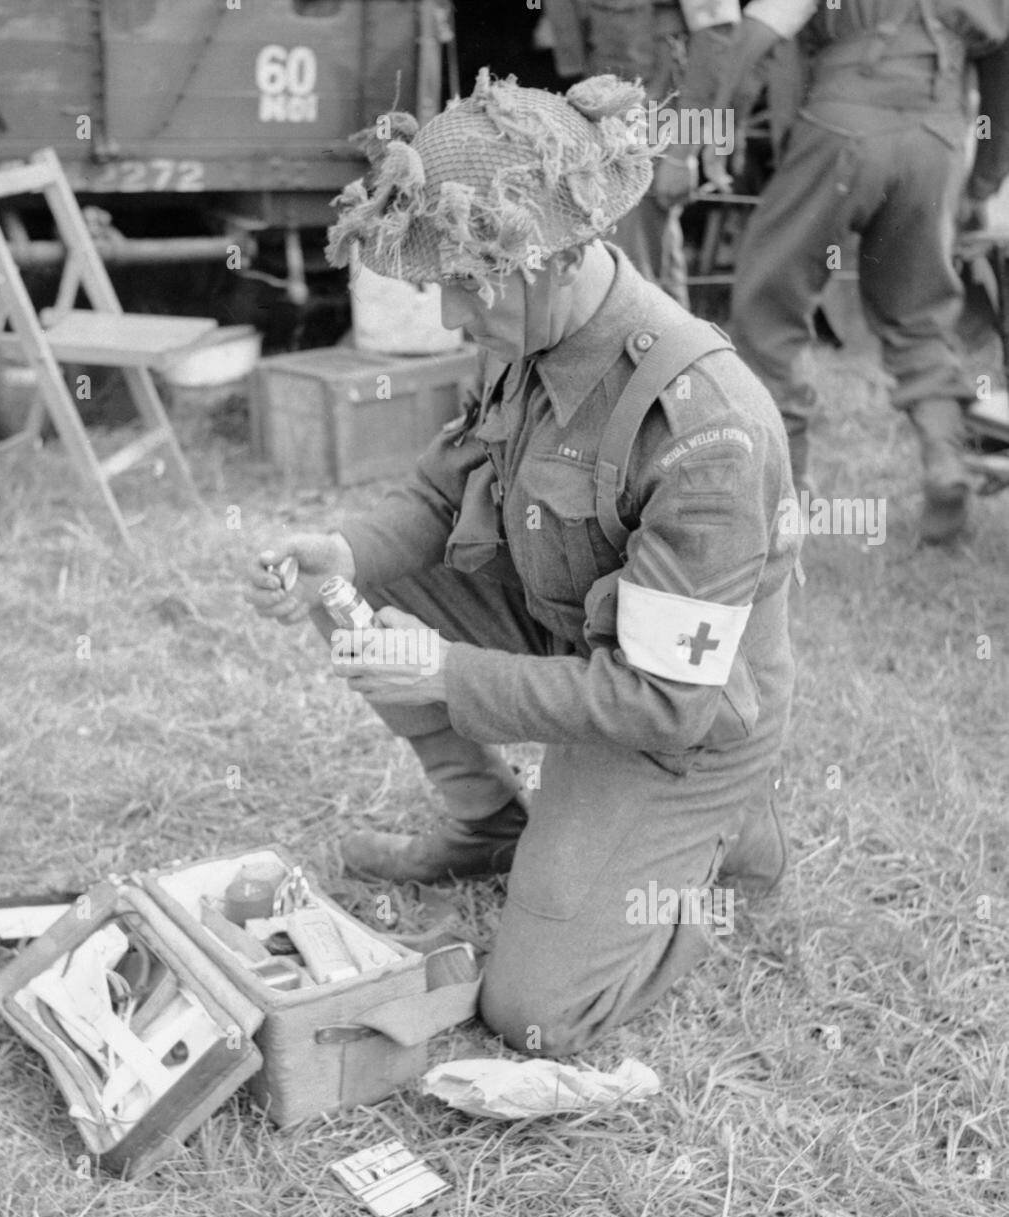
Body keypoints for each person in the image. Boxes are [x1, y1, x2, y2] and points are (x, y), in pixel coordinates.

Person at [246, 70, 801, 1055]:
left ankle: (712, 839)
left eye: (462, 284)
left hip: (683, 720)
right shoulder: (527, 327)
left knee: (533, 1013)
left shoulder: (702, 425)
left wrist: (449, 674)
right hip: (570, 634)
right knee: (355, 592)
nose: (451, 315)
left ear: (548, 257)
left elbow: (663, 701)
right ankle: (493, 826)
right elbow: (431, 493)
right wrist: (338, 554)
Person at [712, 0, 1009, 542]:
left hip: (840, 126)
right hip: (936, 140)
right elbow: (1001, 74)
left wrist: (712, 130)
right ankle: (944, 460)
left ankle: (782, 497)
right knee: (920, 312)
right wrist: (982, 184)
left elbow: (757, 34)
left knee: (770, 305)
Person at [541, 0, 745, 307]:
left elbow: (717, 39)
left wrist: (682, 154)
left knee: (638, 266)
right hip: (602, 99)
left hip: (655, 99)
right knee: (614, 258)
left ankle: (671, 350)